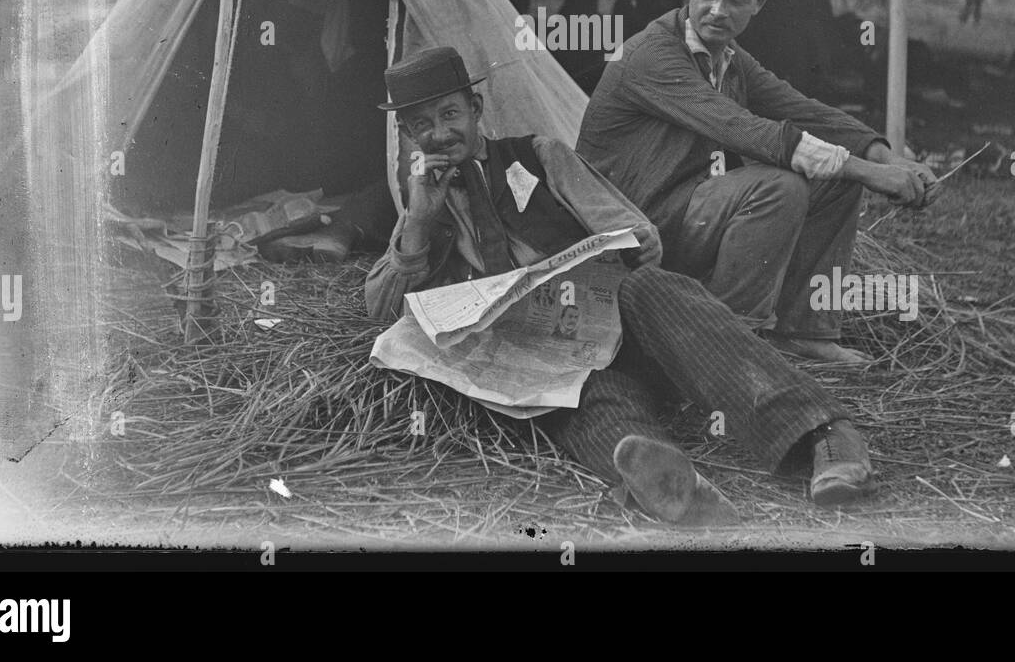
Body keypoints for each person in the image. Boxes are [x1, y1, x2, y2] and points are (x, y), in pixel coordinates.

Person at [365, 45, 878, 524]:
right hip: (553, 370)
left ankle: (824, 435)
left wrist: (597, 260)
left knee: (651, 288)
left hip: (625, 331)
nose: (439, 133)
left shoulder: (541, 156)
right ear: (410, 136)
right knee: (585, 401)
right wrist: (417, 227)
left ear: (476, 108)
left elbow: (639, 235)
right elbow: (379, 308)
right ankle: (674, 488)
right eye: (421, 126)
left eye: (449, 115)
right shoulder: (423, 205)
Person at [577, 0, 939, 367]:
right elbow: (743, 128)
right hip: (629, 230)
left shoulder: (727, 57)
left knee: (835, 180)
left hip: (681, 211)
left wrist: (888, 157)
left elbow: (801, 110)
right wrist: (868, 171)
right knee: (778, 186)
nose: (719, 10)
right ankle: (723, 347)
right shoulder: (651, 54)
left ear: (760, 4)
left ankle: (801, 332)